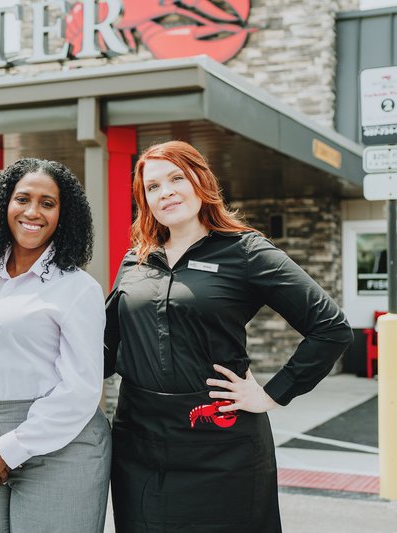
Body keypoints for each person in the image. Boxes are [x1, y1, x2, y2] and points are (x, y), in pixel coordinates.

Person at [104, 140, 354, 532]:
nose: (165, 191)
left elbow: (331, 328)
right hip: (139, 447)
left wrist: (274, 392)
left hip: (222, 446)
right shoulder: (134, 261)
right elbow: (105, 348)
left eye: (175, 178)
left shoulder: (246, 251)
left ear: (199, 180)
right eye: (152, 187)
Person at [0, 158, 111, 533]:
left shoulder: (77, 288)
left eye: (48, 203)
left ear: (64, 215)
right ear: (4, 205)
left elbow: (81, 388)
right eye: (23, 199)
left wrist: (7, 450)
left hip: (59, 444)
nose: (33, 211)